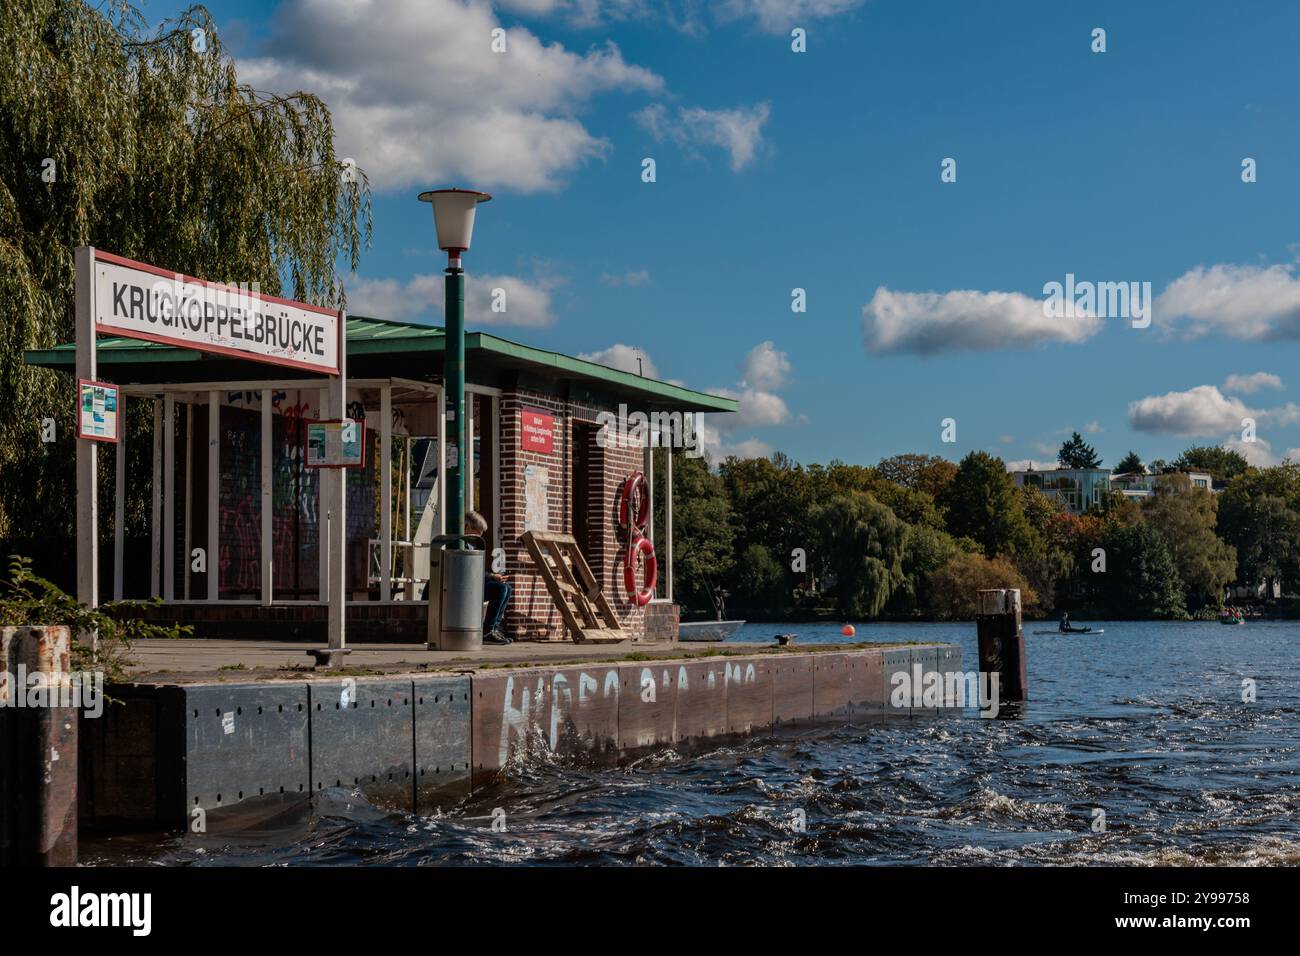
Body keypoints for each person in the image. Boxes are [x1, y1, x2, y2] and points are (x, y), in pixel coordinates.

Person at [466, 511, 512, 645]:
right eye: (477, 531)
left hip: (473, 585)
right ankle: (487, 631)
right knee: (500, 589)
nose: (479, 536)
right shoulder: (461, 544)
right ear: (467, 527)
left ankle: (494, 628)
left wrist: (492, 576)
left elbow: (476, 571)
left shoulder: (472, 545)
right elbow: (471, 572)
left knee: (507, 588)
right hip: (465, 588)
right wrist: (492, 576)